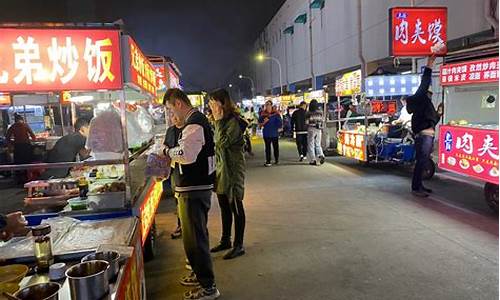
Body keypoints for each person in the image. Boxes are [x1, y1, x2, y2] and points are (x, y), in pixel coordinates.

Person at [162, 88, 220, 300]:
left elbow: (186, 155)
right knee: (193, 238)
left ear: (178, 103)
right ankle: (199, 275)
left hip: (195, 189)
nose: (171, 115)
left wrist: (167, 152)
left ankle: (208, 287)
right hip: (191, 188)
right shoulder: (192, 122)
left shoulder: (194, 122)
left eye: (170, 109)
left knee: (196, 239)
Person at [208, 89, 247, 260]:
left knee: (236, 206)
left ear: (222, 103)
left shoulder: (234, 122)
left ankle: (239, 245)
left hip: (232, 170)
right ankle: (226, 240)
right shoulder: (220, 121)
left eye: (213, 102)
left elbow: (222, 142)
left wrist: (216, 121)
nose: (211, 106)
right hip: (221, 170)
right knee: (224, 205)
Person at [406, 55, 440, 198]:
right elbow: (424, 82)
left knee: (423, 161)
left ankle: (419, 185)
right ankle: (416, 188)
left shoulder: (425, 105)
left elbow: (432, 120)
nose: (431, 94)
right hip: (424, 136)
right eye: (429, 92)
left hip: (427, 136)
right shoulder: (420, 98)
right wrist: (430, 64)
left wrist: (438, 114)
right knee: (421, 161)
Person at [164, 112, 183, 239]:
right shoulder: (170, 130)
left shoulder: (189, 129)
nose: (175, 118)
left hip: (187, 171)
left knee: (186, 201)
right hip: (174, 170)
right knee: (177, 200)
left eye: (176, 115)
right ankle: (180, 224)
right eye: (172, 116)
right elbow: (165, 146)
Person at [5, 113, 36, 183]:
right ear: (21, 119)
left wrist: (12, 143)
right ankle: (28, 176)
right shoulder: (25, 125)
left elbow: (7, 137)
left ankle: (19, 178)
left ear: (15, 120)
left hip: (18, 146)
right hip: (26, 146)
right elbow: (33, 136)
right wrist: (31, 141)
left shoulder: (13, 126)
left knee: (18, 162)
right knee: (27, 161)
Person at [259, 100, 282, 167]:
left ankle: (276, 159)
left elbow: (280, 123)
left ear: (272, 105)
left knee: (276, 147)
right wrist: (264, 122)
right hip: (266, 134)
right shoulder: (263, 114)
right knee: (267, 148)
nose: (268, 106)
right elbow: (260, 125)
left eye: (269, 105)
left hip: (274, 133)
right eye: (267, 105)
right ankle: (268, 161)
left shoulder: (276, 114)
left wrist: (279, 126)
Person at [306, 99, 325, 166]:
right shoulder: (320, 112)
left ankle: (313, 160)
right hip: (319, 129)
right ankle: (321, 155)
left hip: (311, 129)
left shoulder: (309, 112)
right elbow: (323, 120)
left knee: (311, 144)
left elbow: (307, 122)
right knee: (318, 144)